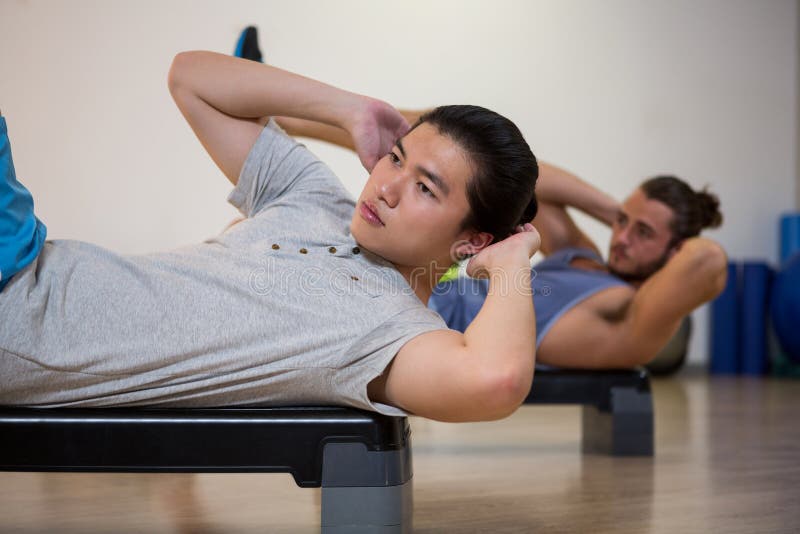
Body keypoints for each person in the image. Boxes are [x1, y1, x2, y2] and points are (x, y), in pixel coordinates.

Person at [0, 52, 541, 423]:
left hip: (18, 315)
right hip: (33, 261)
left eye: (424, 188)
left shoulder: (390, 332)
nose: (387, 186)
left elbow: (494, 379)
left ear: (472, 241)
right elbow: (191, 78)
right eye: (396, 158)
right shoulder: (314, 195)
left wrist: (512, 259)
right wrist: (348, 109)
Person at [279, 111, 729, 369]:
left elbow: (706, 261)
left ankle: (281, 118)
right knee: (454, 136)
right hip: (422, 281)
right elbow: (526, 181)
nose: (622, 238)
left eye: (643, 232)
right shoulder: (583, 256)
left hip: (419, 316)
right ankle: (288, 118)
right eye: (622, 223)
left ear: (676, 250)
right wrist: (612, 209)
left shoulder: (626, 312)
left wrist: (648, 229)